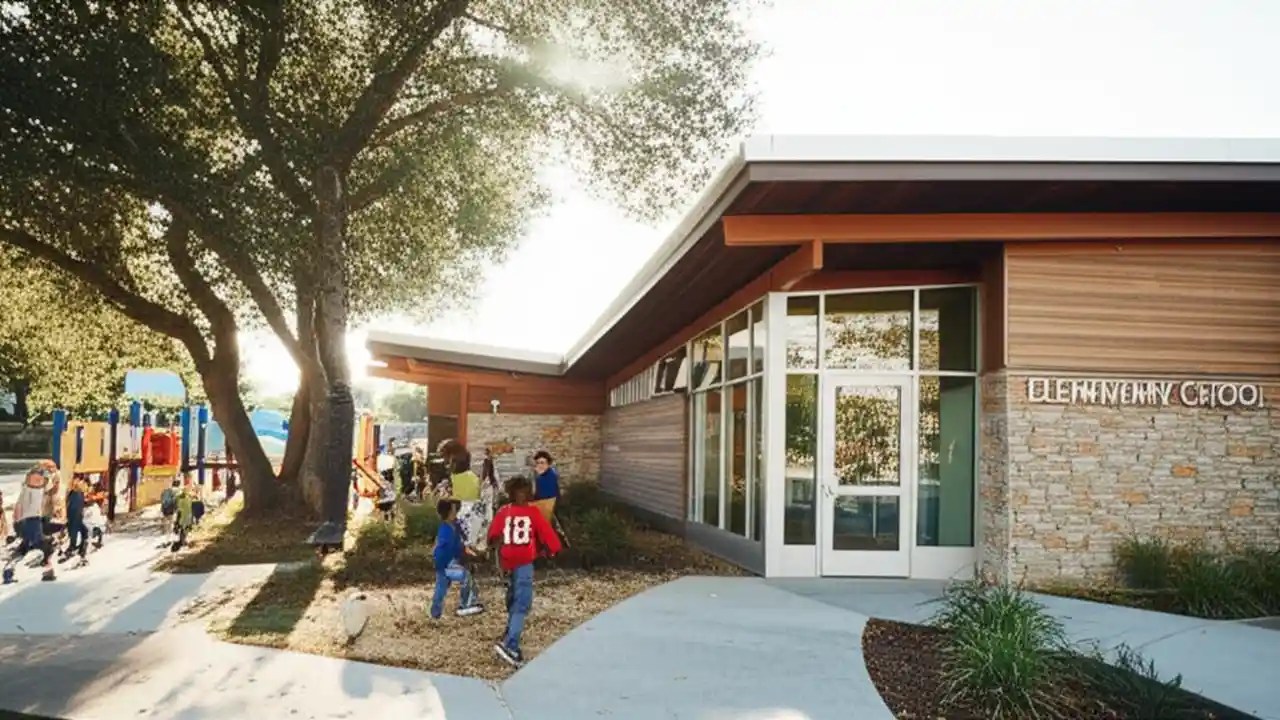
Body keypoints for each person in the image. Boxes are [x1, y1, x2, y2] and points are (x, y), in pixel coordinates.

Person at [487, 475, 562, 668]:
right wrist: (553, 549)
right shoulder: (533, 513)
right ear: (527, 494)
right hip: (524, 563)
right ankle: (511, 645)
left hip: (507, 561)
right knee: (522, 603)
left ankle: (508, 631)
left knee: (512, 598)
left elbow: (493, 536)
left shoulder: (504, 512)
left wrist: (496, 553)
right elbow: (547, 534)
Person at [430, 498, 484, 619]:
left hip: (448, 563)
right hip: (446, 563)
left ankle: (435, 614)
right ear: (447, 512)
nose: (456, 512)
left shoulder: (456, 525)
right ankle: (465, 605)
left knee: (441, 588)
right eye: (454, 510)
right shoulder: (445, 529)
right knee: (465, 577)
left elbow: (463, 542)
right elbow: (449, 548)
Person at [4, 467, 50, 583]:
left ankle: (8, 572)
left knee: (25, 548)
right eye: (36, 478)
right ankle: (47, 571)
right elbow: (20, 506)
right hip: (31, 520)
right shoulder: (31, 490)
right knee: (41, 547)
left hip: (31, 520)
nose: (39, 480)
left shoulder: (31, 489)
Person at [62, 475, 89, 566]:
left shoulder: (78, 491)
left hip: (75, 512)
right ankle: (78, 544)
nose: (75, 482)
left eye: (77, 480)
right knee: (76, 527)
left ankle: (76, 546)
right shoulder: (72, 492)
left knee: (77, 527)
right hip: (72, 513)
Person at [531, 450, 560, 522]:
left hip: (547, 508)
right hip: (542, 506)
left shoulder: (550, 476)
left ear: (548, 464)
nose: (540, 466)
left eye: (542, 463)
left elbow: (546, 497)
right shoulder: (540, 475)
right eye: (537, 463)